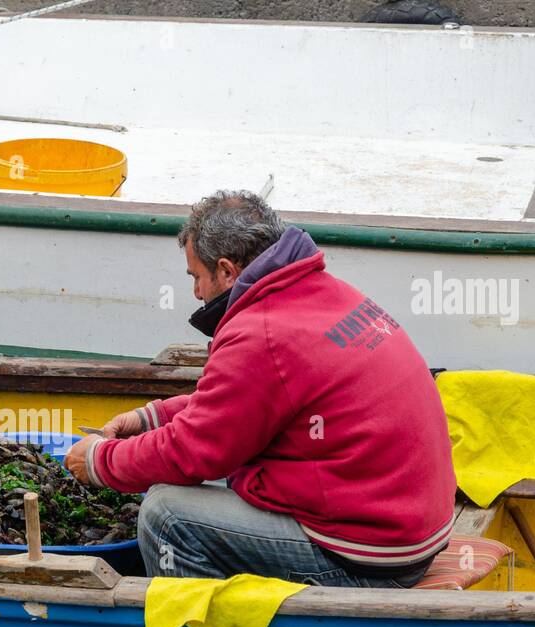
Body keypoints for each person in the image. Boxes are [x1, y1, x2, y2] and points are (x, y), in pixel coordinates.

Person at [63, 190, 456, 587]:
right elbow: (240, 403)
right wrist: (150, 418)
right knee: (203, 474)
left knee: (166, 513)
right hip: (411, 528)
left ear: (227, 270)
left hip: (368, 560)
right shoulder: (320, 291)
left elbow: (191, 453)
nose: (197, 293)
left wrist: (98, 462)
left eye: (196, 278)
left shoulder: (261, 331)